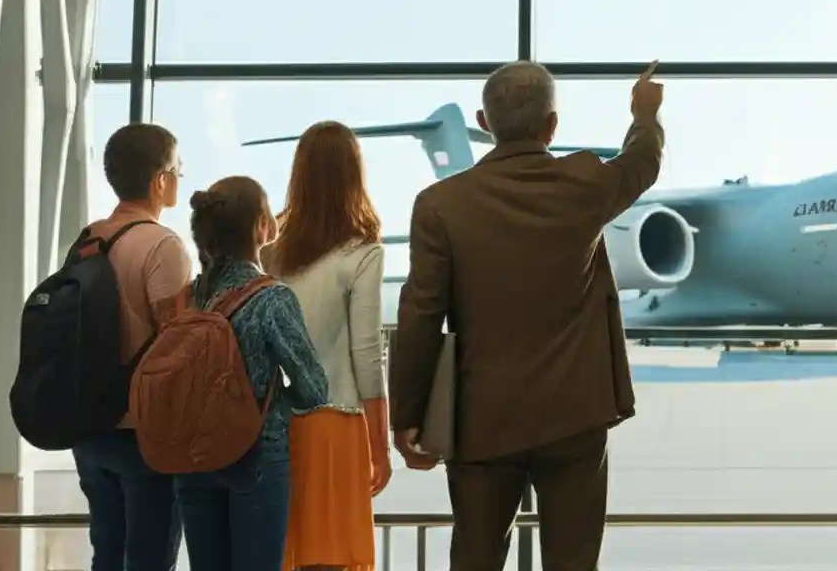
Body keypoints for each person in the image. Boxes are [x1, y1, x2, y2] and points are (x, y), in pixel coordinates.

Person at [389, 60, 665, 570]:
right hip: (575, 417)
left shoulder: (440, 205)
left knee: (475, 557)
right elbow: (641, 161)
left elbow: (421, 317)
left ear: (484, 121)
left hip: (482, 421)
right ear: (552, 124)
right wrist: (644, 114)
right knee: (573, 561)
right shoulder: (584, 183)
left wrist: (407, 416)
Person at [175, 176, 330, 571]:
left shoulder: (189, 297)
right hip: (256, 456)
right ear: (262, 226)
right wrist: (275, 401)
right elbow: (314, 390)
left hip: (193, 457)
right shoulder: (271, 298)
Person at [263, 121, 389, 571]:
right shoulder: (362, 252)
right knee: (333, 557)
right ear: (354, 175)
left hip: (273, 424)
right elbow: (367, 354)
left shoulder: (270, 246)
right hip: (338, 423)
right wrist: (380, 446)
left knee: (283, 552)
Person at [72, 123, 192, 571]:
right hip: (142, 432)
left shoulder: (89, 239)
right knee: (150, 560)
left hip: (88, 425)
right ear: (160, 180)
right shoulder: (162, 244)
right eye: (178, 169)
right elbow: (177, 343)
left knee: (107, 554)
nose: (181, 177)